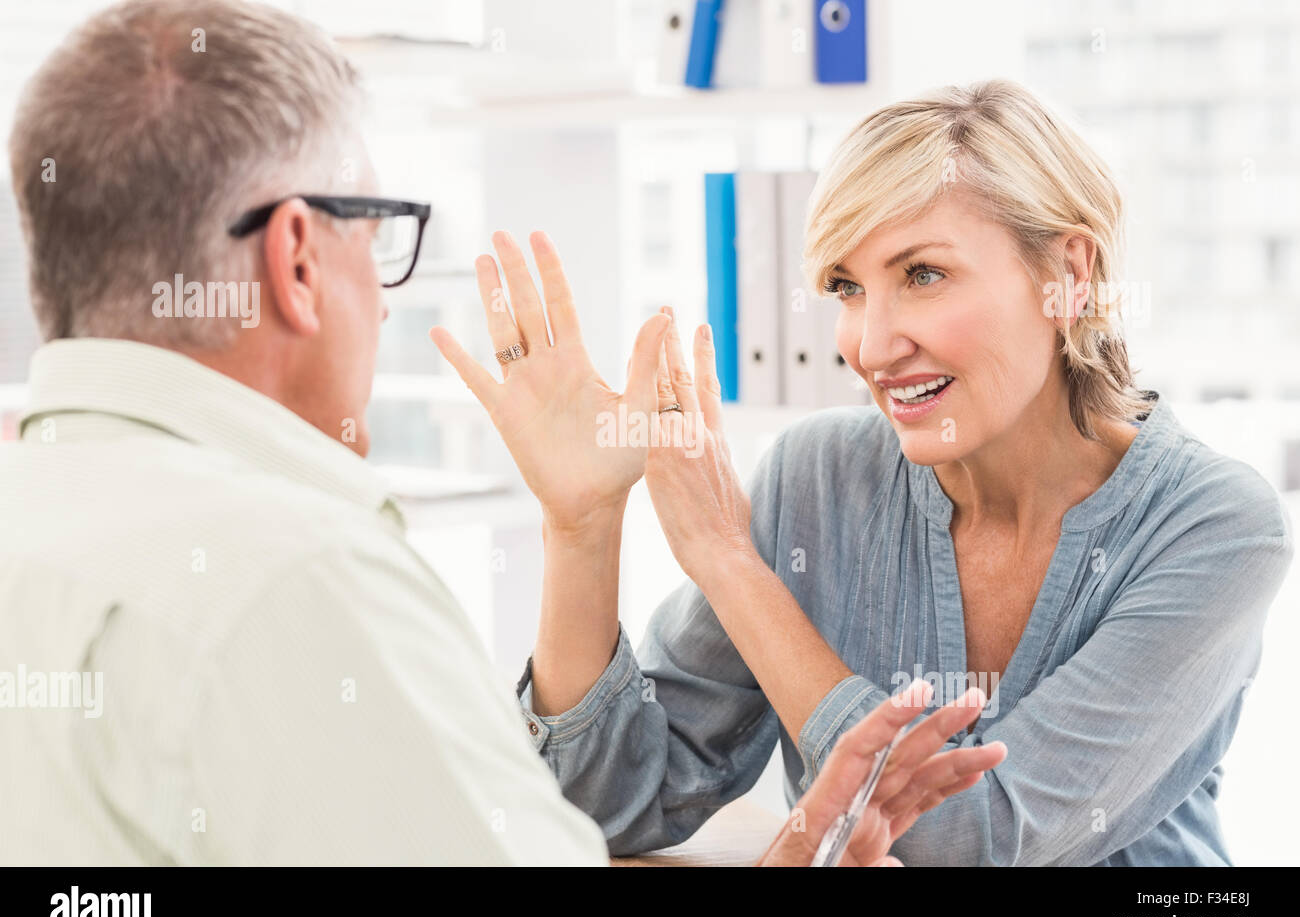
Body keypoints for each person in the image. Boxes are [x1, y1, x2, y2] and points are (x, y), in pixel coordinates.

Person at [0, 0, 1003, 866]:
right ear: (299, 258)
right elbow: (595, 807)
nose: (384, 301)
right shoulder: (298, 578)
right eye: (378, 230)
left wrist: (581, 523)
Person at [432, 79, 1294, 865]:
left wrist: (731, 565)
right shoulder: (821, 478)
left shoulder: (1217, 526)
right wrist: (581, 528)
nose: (871, 346)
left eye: (923, 274)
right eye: (846, 287)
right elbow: (606, 808)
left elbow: (972, 840)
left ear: (1067, 276)